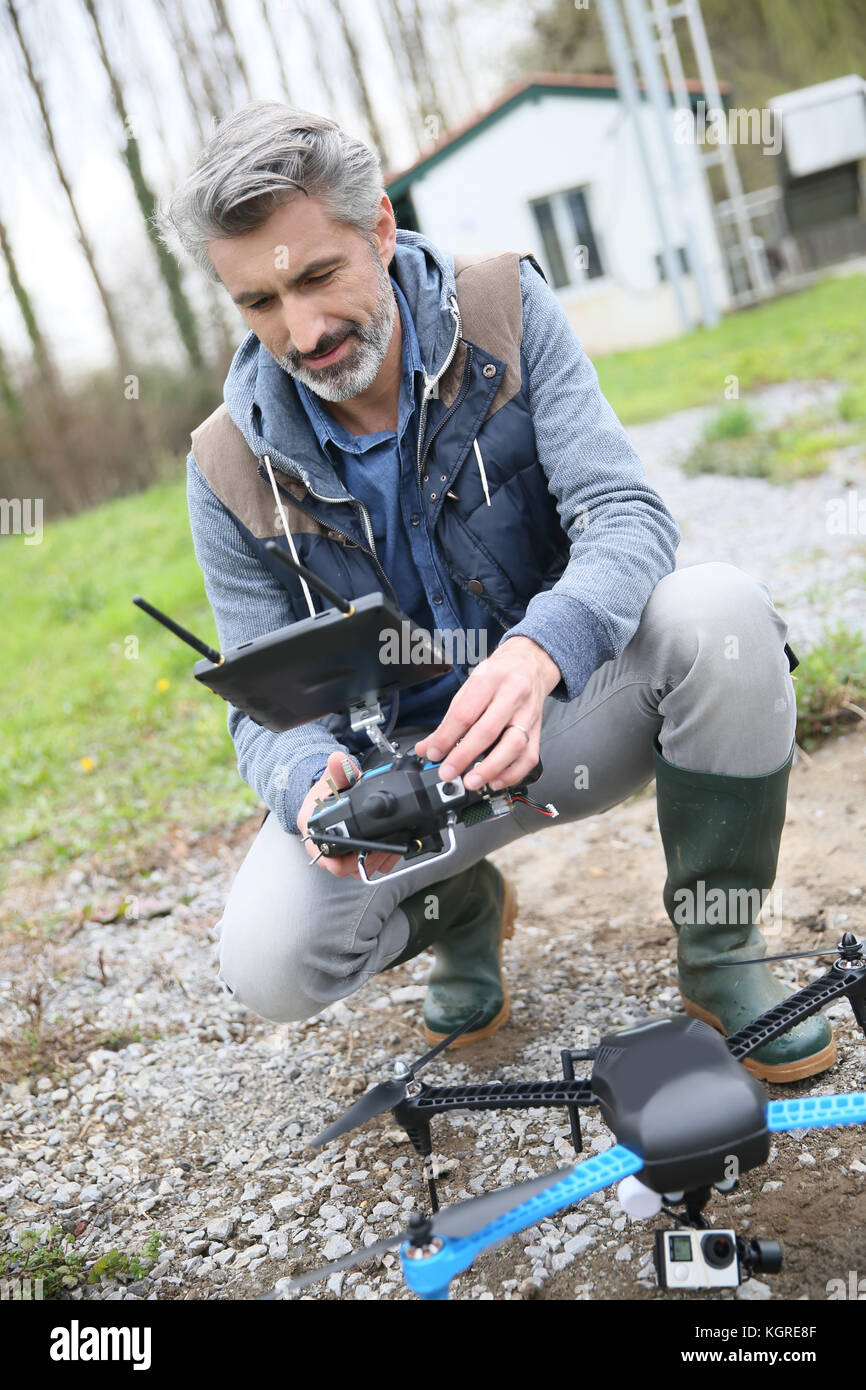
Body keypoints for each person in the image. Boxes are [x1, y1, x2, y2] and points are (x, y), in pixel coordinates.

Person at [157, 101, 835, 1082]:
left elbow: (626, 516)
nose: (299, 333)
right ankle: (458, 910)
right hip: (405, 798)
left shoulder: (503, 313)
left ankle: (720, 950)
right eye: (258, 305)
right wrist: (305, 782)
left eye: (317, 277)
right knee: (270, 964)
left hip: (567, 716)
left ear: (380, 229)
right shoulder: (223, 465)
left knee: (718, 612)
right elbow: (268, 709)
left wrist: (537, 651)